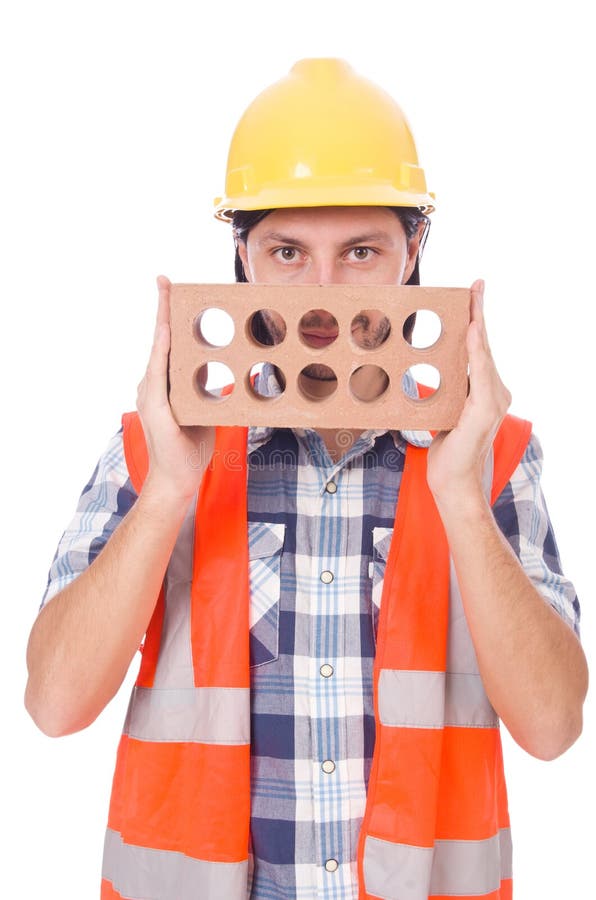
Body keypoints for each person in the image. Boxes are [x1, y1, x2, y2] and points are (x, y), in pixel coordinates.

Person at [25, 58, 587, 900]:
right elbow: (53, 705)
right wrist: (170, 492)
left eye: (361, 251)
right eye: (288, 251)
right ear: (241, 256)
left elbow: (552, 728)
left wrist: (462, 495)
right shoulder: (155, 448)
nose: (321, 295)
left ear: (413, 253)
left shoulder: (491, 454)